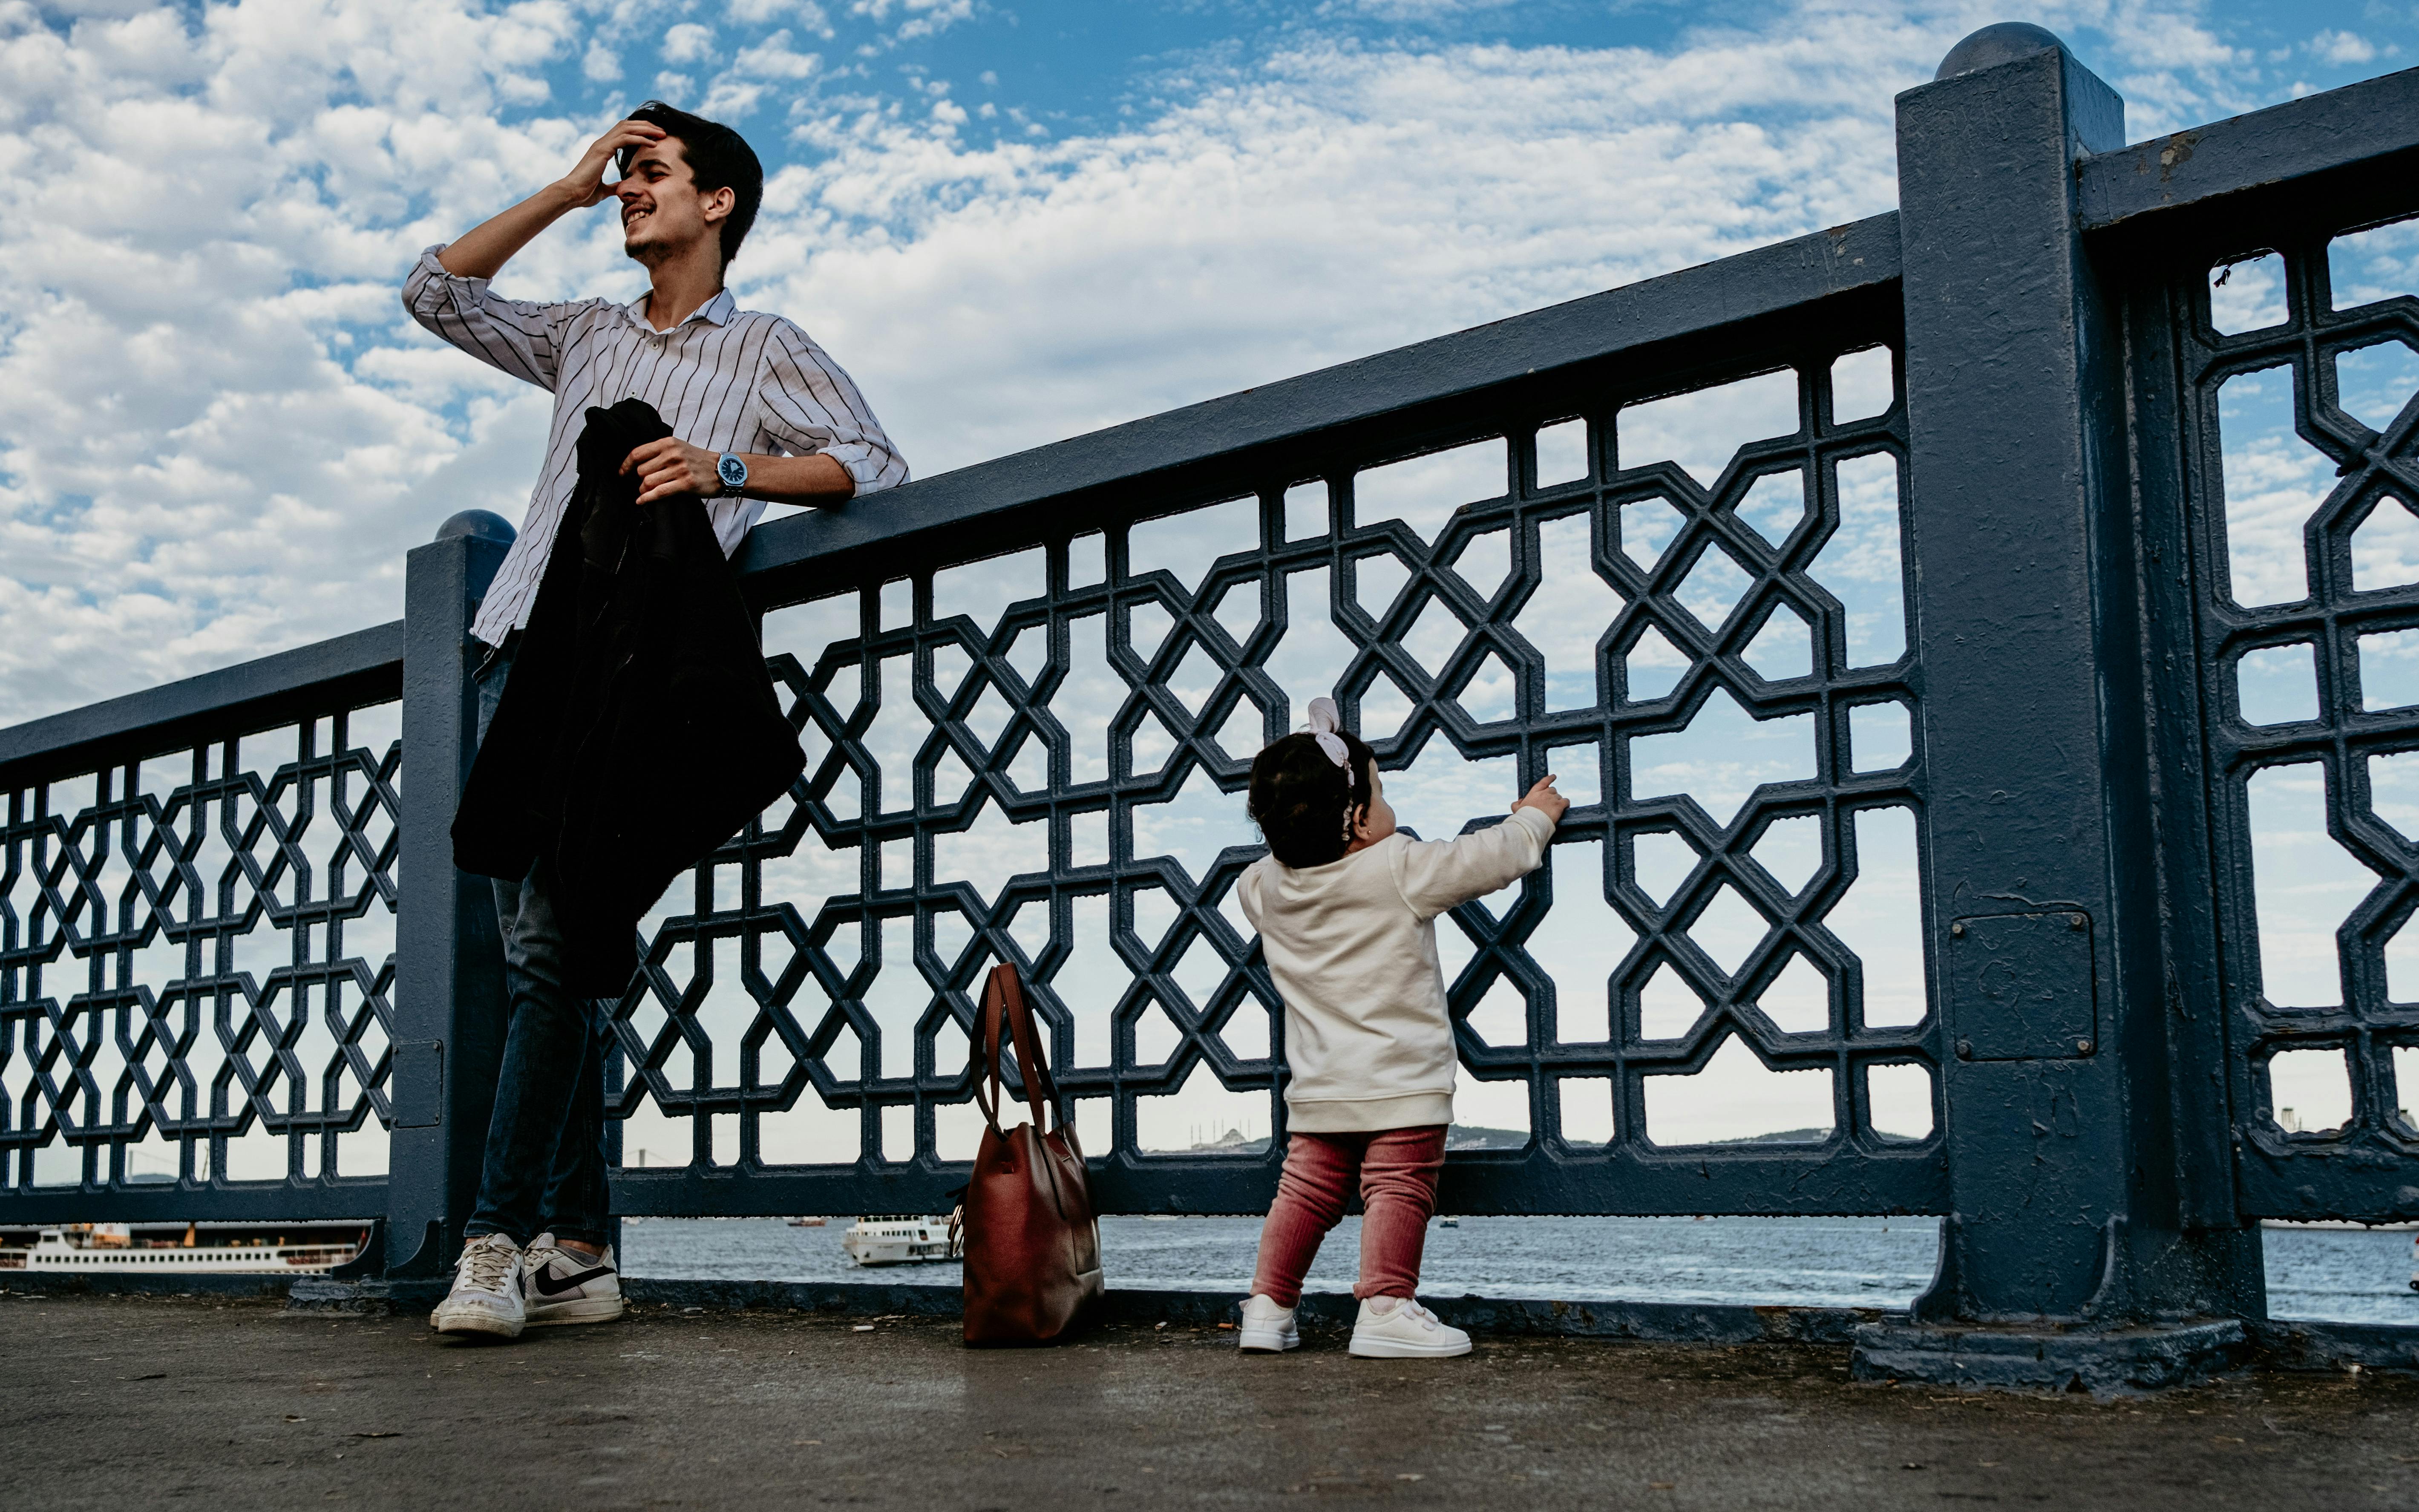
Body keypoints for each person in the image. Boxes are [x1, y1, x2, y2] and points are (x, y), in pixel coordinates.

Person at [402, 101, 907, 1339]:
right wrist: (565, 188)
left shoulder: (763, 347)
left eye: (651, 173)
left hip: (629, 685)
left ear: (718, 201)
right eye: (622, 175)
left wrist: (723, 467)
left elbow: (873, 461)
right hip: (514, 657)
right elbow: (435, 292)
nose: (630, 188)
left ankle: (493, 1239)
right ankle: (579, 1250)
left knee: (552, 950)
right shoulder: (586, 330)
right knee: (552, 957)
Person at [1232, 698, 1566, 1358]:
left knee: (1304, 1192)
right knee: (1397, 1185)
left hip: (1320, 1087)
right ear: (1358, 821)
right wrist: (1533, 816)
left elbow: (1269, 872)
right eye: (1380, 794)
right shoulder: (1395, 866)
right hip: (1402, 1081)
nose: (1388, 807)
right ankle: (1385, 1306)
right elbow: (1488, 857)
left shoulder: (1261, 887)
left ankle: (1268, 1307)